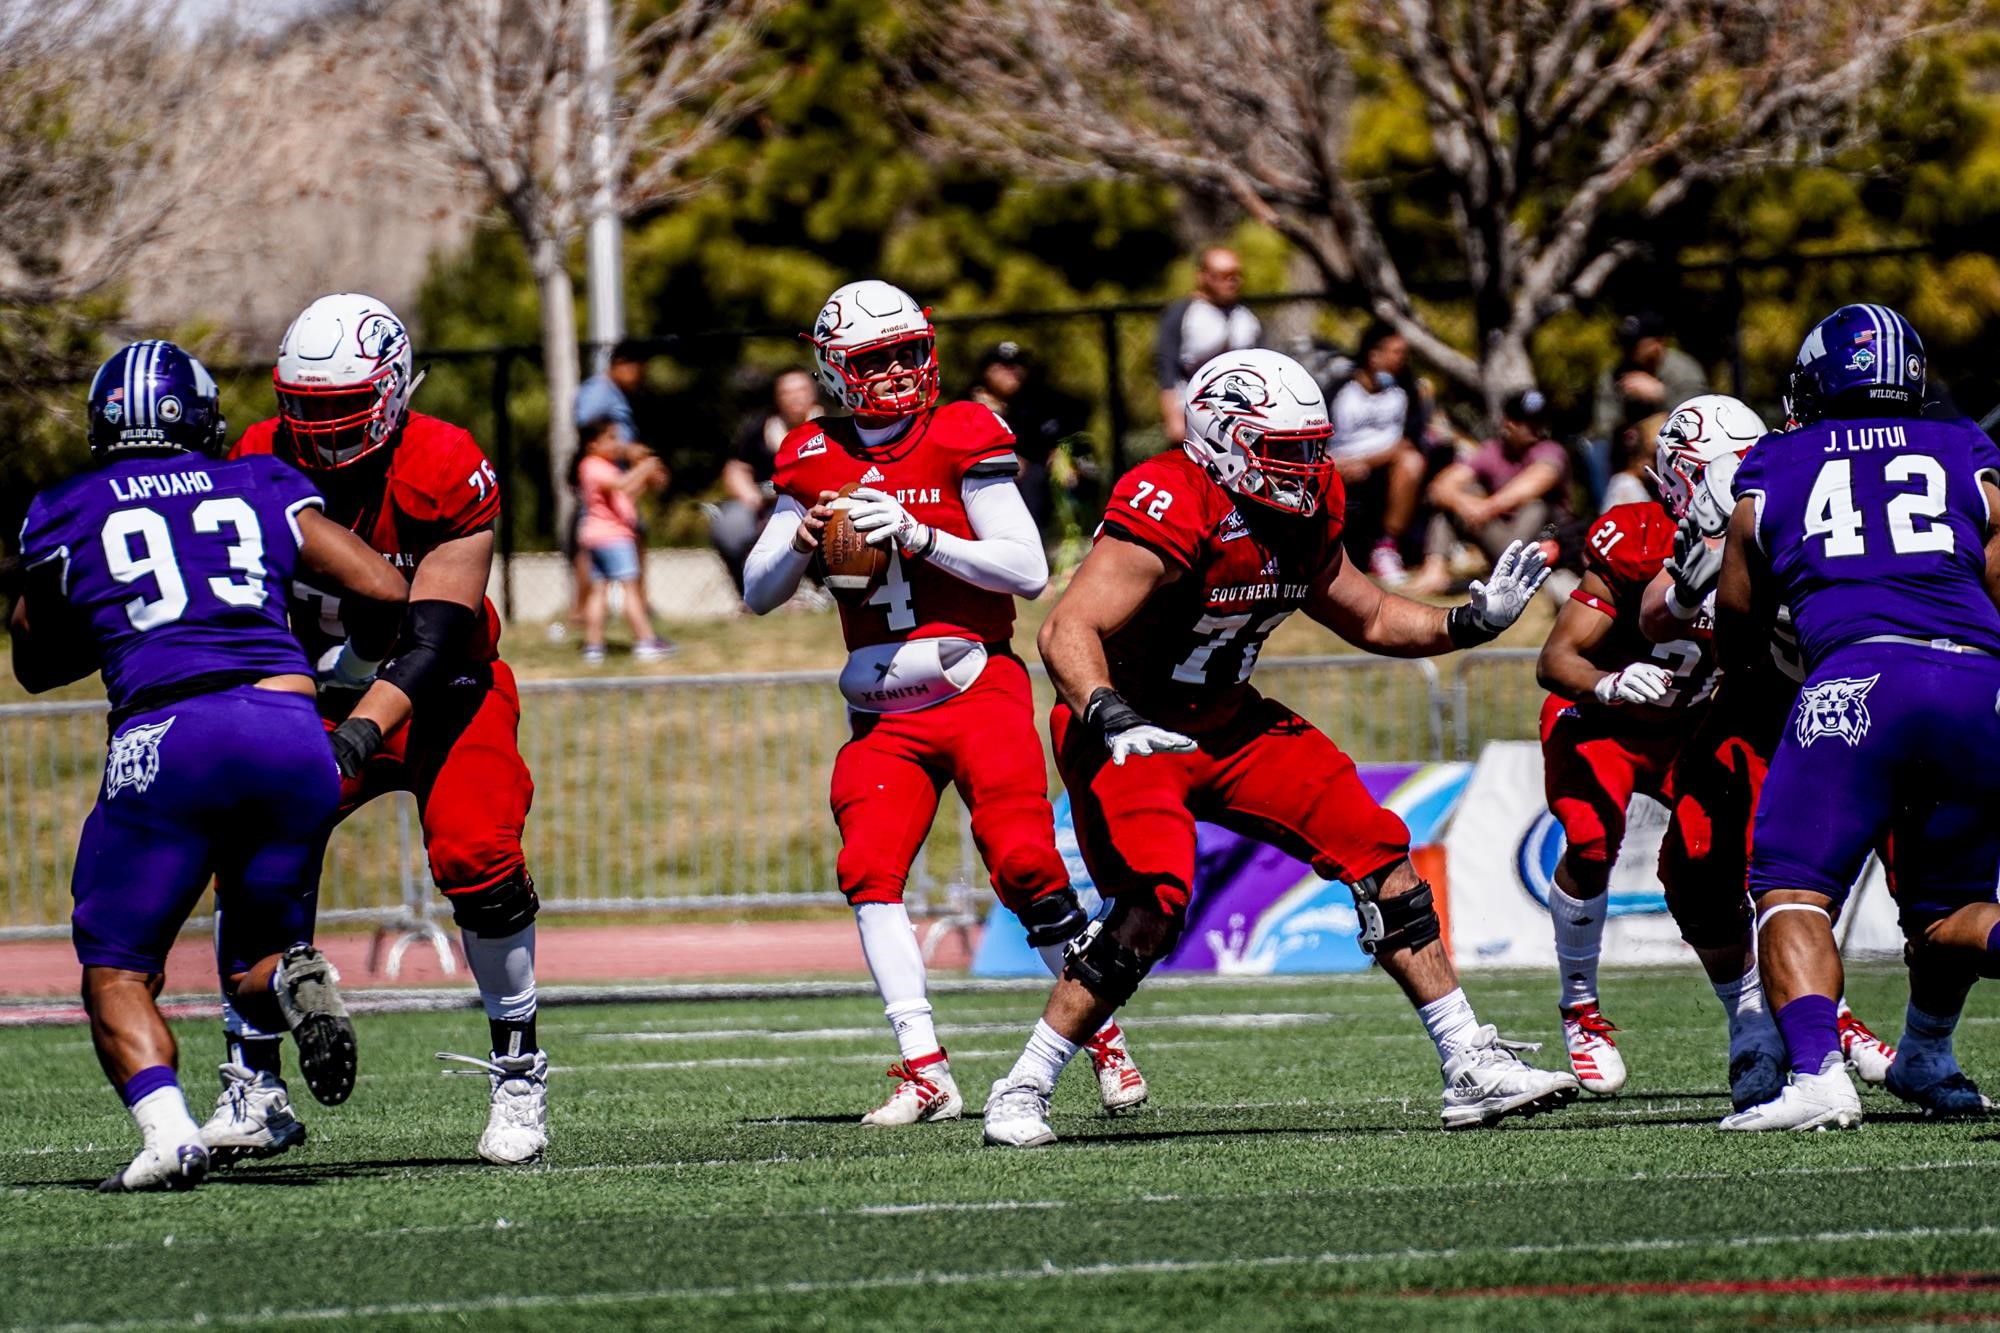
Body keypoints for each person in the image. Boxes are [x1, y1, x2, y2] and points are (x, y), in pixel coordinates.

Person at [982, 348, 1580, 1148]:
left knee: (1381, 852)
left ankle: (1468, 1059)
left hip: (1230, 721)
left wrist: (1464, 621)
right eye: (1285, 448)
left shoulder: (1307, 503)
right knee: (1152, 906)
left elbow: (1364, 611)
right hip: (1134, 725)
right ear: (1221, 436)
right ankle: (1023, 1085)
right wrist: (1106, 711)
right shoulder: (1173, 496)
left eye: (1311, 446)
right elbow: (1065, 627)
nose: (1307, 466)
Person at [743, 279, 1148, 1124]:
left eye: (903, 351)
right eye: (872, 358)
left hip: (976, 681)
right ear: (835, 371)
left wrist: (922, 535)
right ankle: (924, 1068)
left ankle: (1100, 1036)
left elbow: (1027, 568)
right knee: (867, 869)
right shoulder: (812, 453)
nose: (893, 371)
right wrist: (805, 542)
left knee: (1028, 865)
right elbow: (757, 589)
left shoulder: (963, 429)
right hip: (884, 702)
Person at [9, 340, 409, 1191]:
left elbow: (35, 661)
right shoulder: (261, 482)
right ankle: (297, 975)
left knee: (118, 966)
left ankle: (169, 1131)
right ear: (202, 419)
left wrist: (127, 620)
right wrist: (353, 664)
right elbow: (381, 586)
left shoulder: (69, 504)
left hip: (171, 734)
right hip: (290, 730)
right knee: (252, 963)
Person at [212, 293, 552, 1166]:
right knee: (253, 848)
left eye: (343, 407)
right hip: (313, 691)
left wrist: (356, 735)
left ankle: (519, 1068)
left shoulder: (444, 462)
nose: (322, 431)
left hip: (449, 691)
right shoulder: (256, 457)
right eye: (306, 408)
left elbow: (435, 639)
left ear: (395, 391)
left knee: (480, 860)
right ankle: (254, 1083)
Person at [1709, 304, 2000, 1131]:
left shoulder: (1776, 460)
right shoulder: (1965, 448)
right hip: (1980, 682)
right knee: (1948, 915)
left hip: (1859, 677)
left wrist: (1760, 681)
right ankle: (1925, 1054)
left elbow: (1738, 613)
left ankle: (1818, 1075)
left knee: (1790, 886)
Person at [1637, 392, 1898, 1116]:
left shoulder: (1796, 483)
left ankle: (1912, 1037)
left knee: (1926, 880)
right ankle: (1755, 1016)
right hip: (1764, 699)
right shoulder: (1717, 505)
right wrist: (1692, 579)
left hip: (1858, 690)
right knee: (1700, 857)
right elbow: (1655, 609)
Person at [1530, 406, 1748, 1095]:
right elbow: (1556, 659)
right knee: (1592, 840)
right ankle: (1581, 1008)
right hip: (1603, 720)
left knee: (1729, 857)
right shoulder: (1635, 535)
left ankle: (1777, 1013)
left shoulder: (1766, 539)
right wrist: (1611, 682)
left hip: (1688, 726)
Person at [560, 340, 662, 638]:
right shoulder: (598, 392)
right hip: (605, 488)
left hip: (615, 488)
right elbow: (588, 429)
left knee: (625, 545)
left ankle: (596, 637)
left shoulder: (617, 393)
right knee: (605, 556)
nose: (638, 377)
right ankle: (638, 627)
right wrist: (630, 455)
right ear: (621, 365)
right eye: (636, 370)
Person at [1329, 323, 1430, 586]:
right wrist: (1340, 465)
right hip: (1336, 463)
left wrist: (1366, 462)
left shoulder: (1405, 390)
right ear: (1374, 355)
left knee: (1412, 462)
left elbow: (1409, 442)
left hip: (1386, 464)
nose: (1402, 359)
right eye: (1396, 352)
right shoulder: (1339, 389)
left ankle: (1386, 547)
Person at [1427, 389, 1573, 568]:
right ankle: (1434, 570)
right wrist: (1463, 504)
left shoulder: (1550, 449)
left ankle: (1512, 566)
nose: (1536, 427)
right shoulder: (1492, 450)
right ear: (1509, 423)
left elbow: (1539, 480)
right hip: (1501, 534)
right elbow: (1441, 487)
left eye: (1539, 420)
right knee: (1455, 502)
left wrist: (1487, 508)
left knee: (1537, 507)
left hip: (1546, 535)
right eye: (1527, 421)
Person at [712, 368, 821, 592]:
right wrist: (748, 495)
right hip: (765, 503)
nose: (794, 397)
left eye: (800, 390)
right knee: (729, 524)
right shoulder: (760, 428)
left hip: (815, 505)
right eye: (786, 392)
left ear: (812, 393)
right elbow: (736, 469)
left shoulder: (830, 425)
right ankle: (750, 593)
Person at [575, 416, 672, 663]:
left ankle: (594, 645)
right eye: (611, 438)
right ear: (592, 444)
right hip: (612, 537)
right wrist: (645, 467)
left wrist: (647, 479)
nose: (617, 444)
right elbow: (621, 485)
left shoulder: (605, 467)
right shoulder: (593, 465)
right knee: (630, 589)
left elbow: (626, 494)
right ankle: (645, 640)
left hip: (599, 536)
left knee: (599, 591)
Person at [1588, 311, 1708, 504]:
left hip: (1674, 443)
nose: (1628, 350)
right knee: (1596, 448)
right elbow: (1604, 424)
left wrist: (1660, 394)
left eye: (1635, 343)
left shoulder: (1684, 369)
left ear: (1657, 343)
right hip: (1629, 451)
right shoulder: (1614, 374)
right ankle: (1609, 512)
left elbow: (1699, 417)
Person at [1155, 247, 1261, 444]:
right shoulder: (1184, 314)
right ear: (1203, 276)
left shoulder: (1246, 317)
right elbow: (1166, 367)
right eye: (1224, 275)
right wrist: (1173, 419)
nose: (1232, 282)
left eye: (1236, 275)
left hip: (1243, 415)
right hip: (1195, 413)